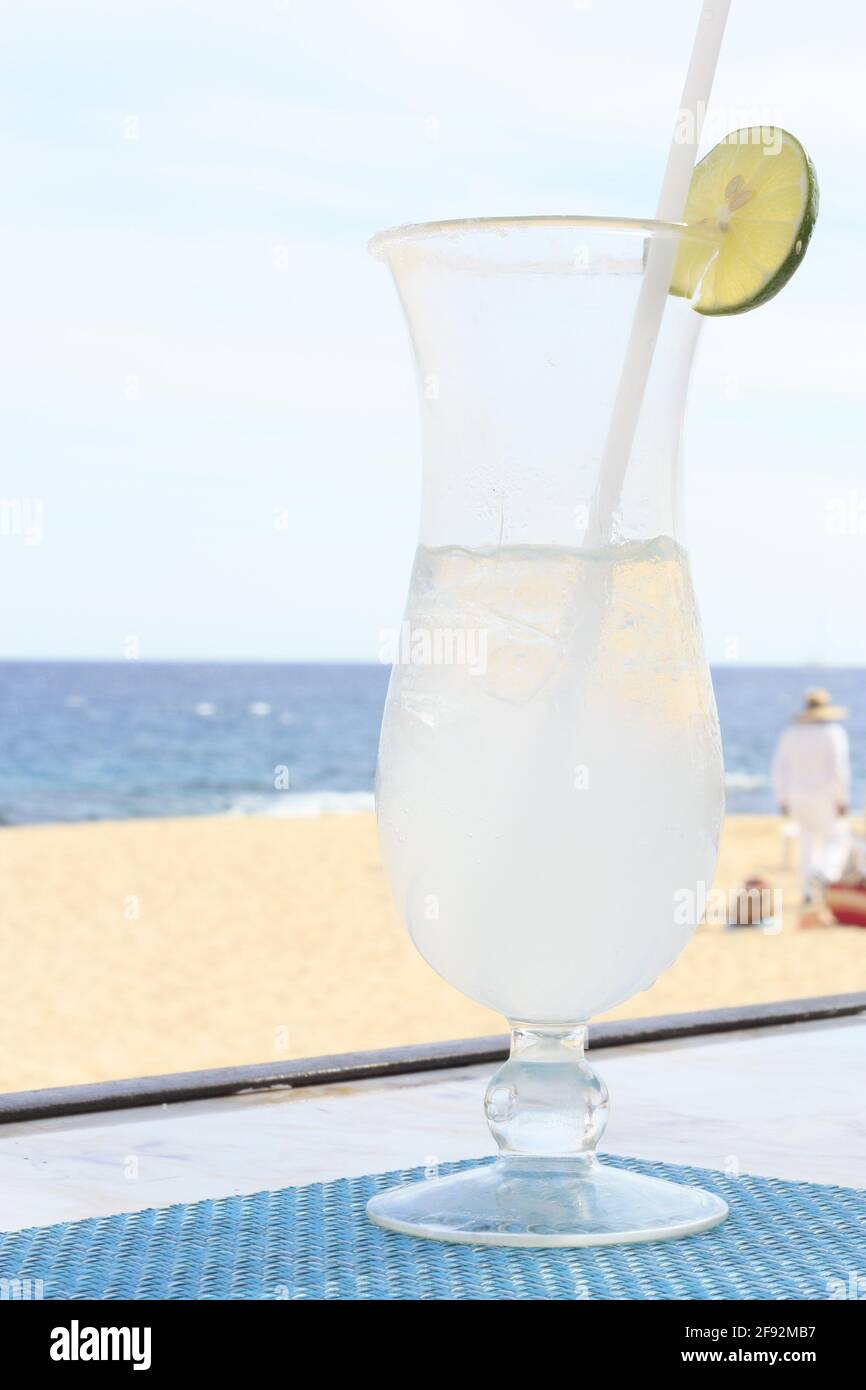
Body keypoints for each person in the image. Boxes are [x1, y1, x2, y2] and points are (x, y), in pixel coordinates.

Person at [772, 688, 851, 903]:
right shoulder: (833, 733)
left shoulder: (791, 734)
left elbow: (779, 770)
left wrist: (782, 799)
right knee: (837, 837)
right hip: (824, 796)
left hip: (797, 797)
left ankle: (808, 892)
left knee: (806, 842)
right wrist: (841, 799)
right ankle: (825, 875)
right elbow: (839, 771)